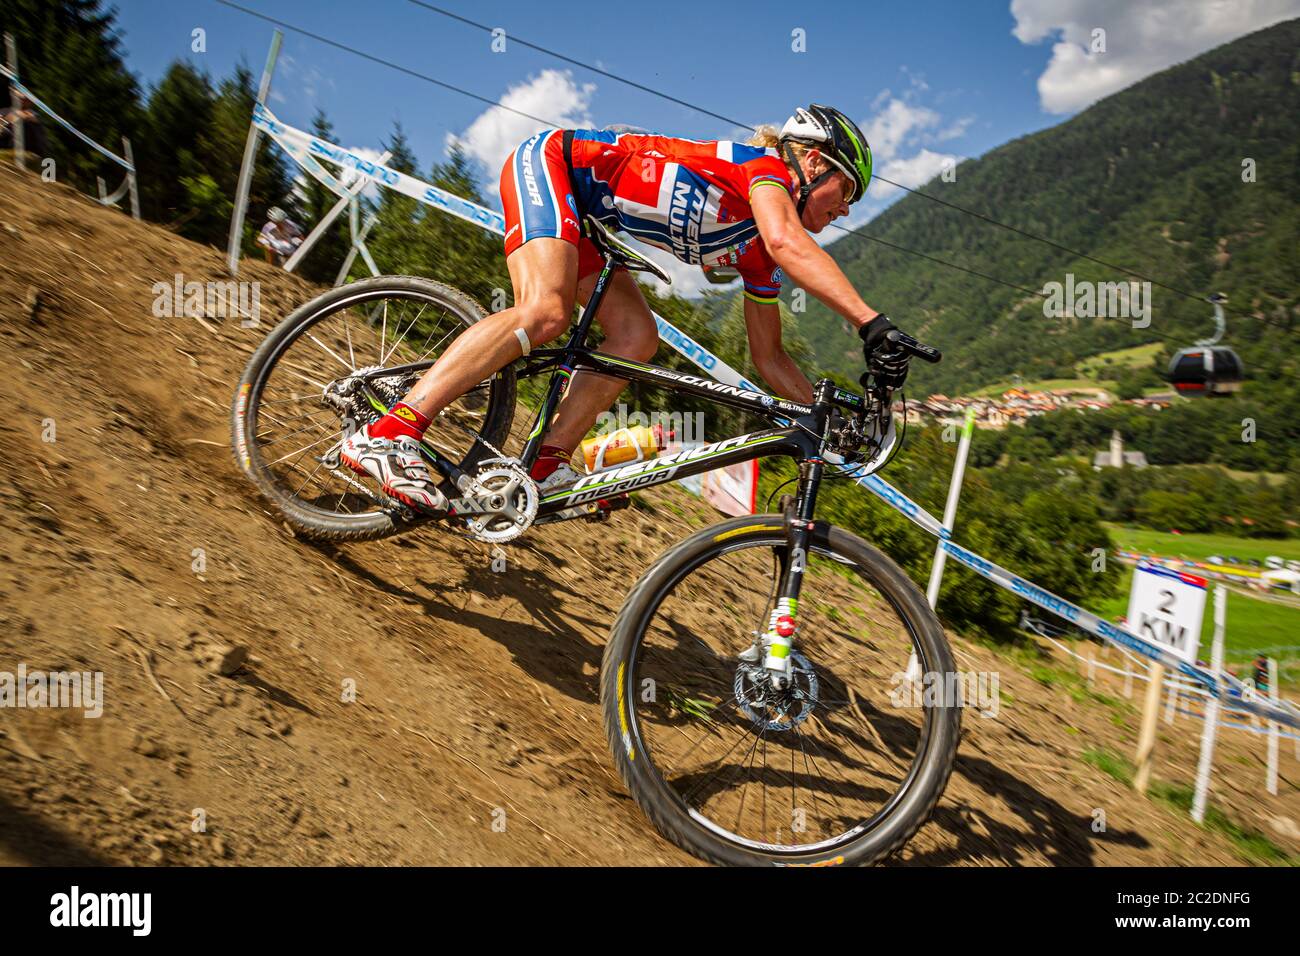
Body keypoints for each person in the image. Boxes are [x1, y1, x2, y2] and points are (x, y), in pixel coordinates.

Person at [342, 104, 909, 512]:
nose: (847, 211)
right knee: (546, 312)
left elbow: (769, 357)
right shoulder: (763, 171)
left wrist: (826, 414)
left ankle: (544, 463)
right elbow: (791, 240)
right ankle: (392, 431)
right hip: (553, 165)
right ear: (811, 164)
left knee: (637, 340)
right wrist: (871, 324)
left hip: (589, 217)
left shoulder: (762, 252)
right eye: (848, 191)